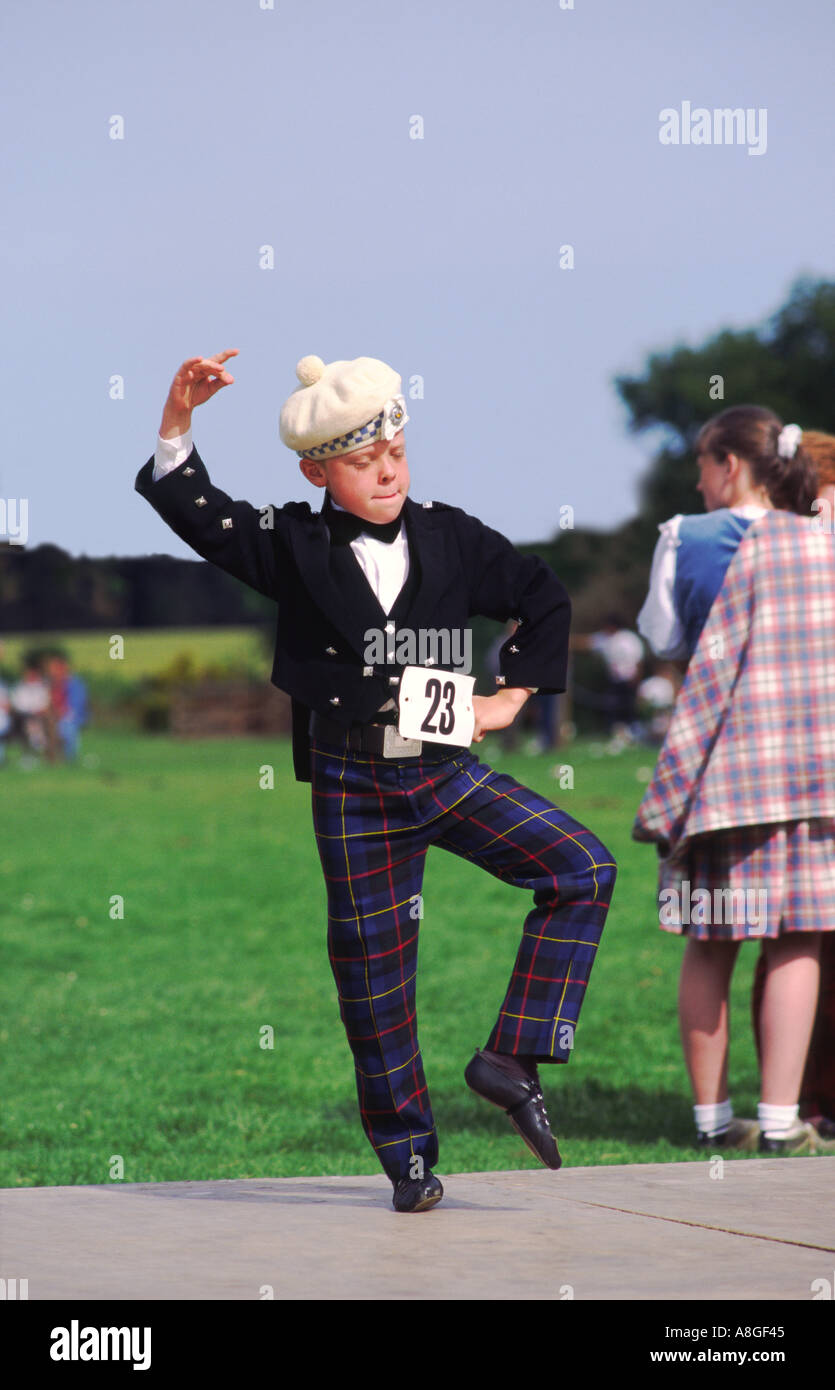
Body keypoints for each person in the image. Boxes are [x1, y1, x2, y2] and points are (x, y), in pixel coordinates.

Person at [135, 350, 617, 1213]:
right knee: (374, 977)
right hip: (352, 787)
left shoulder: (452, 536)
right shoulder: (291, 543)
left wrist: (509, 698)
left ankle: (512, 1055)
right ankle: (408, 1160)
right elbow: (199, 515)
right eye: (362, 460)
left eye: (395, 449)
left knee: (582, 867)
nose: (387, 468)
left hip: (446, 774)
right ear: (318, 470)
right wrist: (178, 418)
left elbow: (541, 594)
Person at [634, 406, 835, 1156]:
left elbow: (674, 643)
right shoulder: (820, 542)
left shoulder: (686, 536)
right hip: (816, 777)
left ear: (727, 466)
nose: (696, 478)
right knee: (798, 942)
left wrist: (672, 786)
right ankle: (782, 1121)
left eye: (701, 464)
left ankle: (711, 1121)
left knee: (712, 941)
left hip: (730, 775)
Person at [749, 431, 835, 1138]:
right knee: (802, 941)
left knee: (790, 940)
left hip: (790, 766)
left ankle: (800, 1101)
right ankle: (803, 1103)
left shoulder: (767, 542)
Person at [45, 650, 89, 762]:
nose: (51, 672)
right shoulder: (49, 684)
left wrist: (57, 713)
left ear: (62, 668)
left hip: (69, 717)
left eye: (53, 668)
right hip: (51, 717)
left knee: (65, 728)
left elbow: (75, 707)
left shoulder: (75, 684)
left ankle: (68, 758)